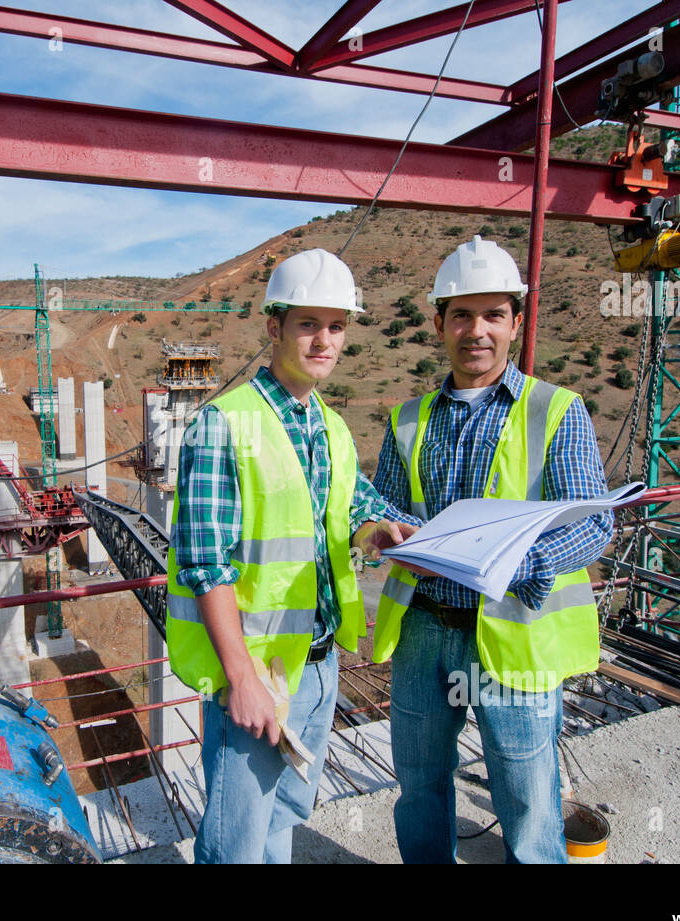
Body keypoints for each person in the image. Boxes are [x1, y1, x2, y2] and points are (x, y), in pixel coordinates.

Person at [165, 248, 414, 864]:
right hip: (254, 676)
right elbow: (205, 563)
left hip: (320, 663)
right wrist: (242, 679)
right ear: (273, 327)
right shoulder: (224, 424)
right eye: (308, 324)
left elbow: (355, 512)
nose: (324, 340)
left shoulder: (330, 426)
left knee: (283, 819)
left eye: (336, 326)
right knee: (236, 842)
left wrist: (378, 532)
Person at [370, 235, 613, 864]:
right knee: (419, 786)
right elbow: (385, 507)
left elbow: (594, 526)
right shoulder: (407, 418)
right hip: (425, 630)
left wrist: (519, 564)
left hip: (512, 629)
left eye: (493, 315)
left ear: (515, 323)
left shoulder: (556, 411)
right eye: (461, 315)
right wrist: (389, 528)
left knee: (528, 798)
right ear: (439, 323)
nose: (476, 330)